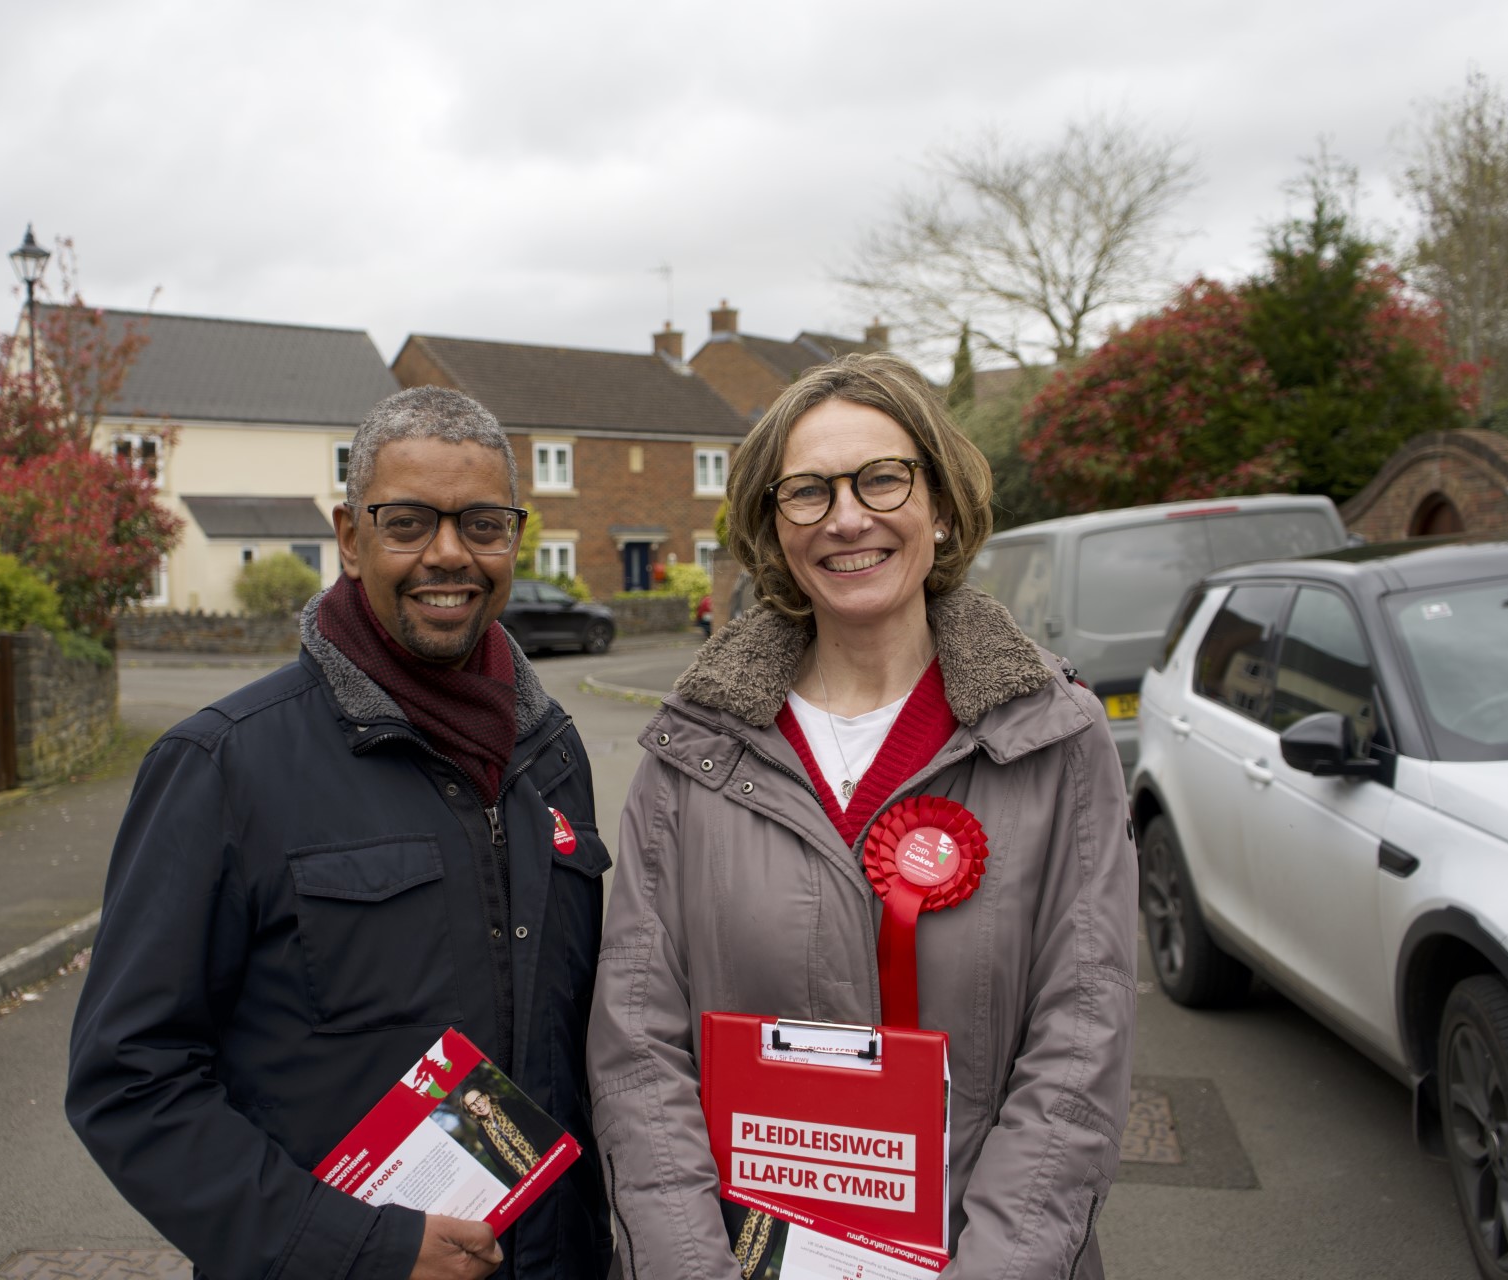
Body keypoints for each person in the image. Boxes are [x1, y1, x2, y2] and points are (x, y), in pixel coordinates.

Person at [586, 353, 1136, 1278]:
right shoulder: (692, 752)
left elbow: (1082, 1042)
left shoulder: (1054, 737)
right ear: (774, 529)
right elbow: (638, 1047)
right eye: (806, 492)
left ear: (944, 504)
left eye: (883, 478)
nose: (847, 517)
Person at [67, 386, 614, 1280]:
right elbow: (130, 1082)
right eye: (408, 522)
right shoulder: (222, 764)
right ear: (351, 538)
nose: (449, 554)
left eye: (481, 524)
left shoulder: (551, 753)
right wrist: (362, 1250)